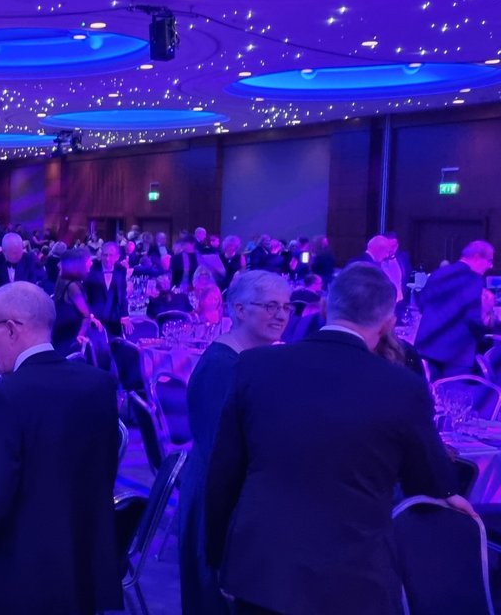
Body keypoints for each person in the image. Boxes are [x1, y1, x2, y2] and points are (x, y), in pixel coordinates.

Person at [205, 263, 469, 615]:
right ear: (388, 324)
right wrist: (449, 492)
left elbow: (224, 472)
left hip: (261, 568)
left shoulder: (256, 365)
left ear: (325, 306)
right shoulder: (402, 387)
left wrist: (218, 556)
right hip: (352, 575)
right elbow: (428, 478)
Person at [0, 282, 122, 615]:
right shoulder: (99, 385)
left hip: (20, 584)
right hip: (82, 575)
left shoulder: (5, 396)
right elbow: (100, 478)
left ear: (12, 329)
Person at [178, 271, 291, 615]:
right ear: (239, 310)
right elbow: (223, 456)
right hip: (219, 504)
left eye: (286, 307)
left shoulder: (248, 361)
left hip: (233, 500)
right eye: (270, 306)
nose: (281, 315)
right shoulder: (222, 367)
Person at [415, 240, 495, 378]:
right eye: (489, 260)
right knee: (453, 391)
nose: (491, 266)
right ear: (477, 257)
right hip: (456, 355)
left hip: (427, 347)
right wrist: (488, 313)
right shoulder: (473, 279)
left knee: (429, 389)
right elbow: (474, 320)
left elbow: (422, 303)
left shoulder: (439, 273)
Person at [51, 249, 98, 358]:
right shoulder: (73, 287)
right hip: (69, 340)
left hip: (60, 335)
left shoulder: (62, 280)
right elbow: (85, 316)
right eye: (88, 261)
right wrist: (80, 335)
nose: (91, 263)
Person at [85, 242, 132, 338]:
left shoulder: (121, 270)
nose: (107, 259)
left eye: (111, 255)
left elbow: (123, 295)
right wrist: (90, 316)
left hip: (115, 320)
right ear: (100, 255)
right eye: (105, 255)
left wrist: (125, 315)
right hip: (95, 321)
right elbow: (85, 296)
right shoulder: (91, 269)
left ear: (117, 257)